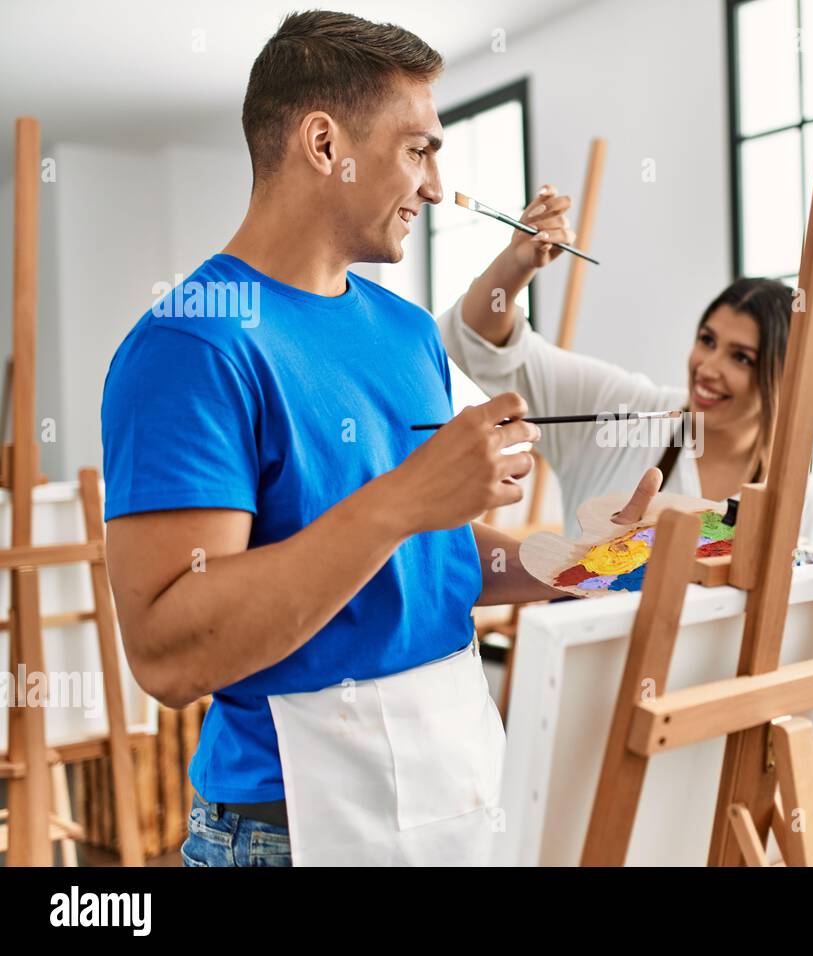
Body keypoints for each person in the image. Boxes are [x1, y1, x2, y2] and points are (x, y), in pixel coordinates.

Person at [100, 10, 656, 867]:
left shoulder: (405, 332)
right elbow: (167, 655)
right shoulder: (193, 343)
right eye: (418, 150)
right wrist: (401, 501)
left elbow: (433, 563)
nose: (434, 188)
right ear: (325, 145)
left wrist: (590, 561)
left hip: (456, 791)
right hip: (287, 827)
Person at [440, 197, 813, 547]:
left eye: (741, 358)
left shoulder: (802, 503)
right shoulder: (622, 412)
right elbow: (479, 343)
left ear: (785, 376)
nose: (708, 368)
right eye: (707, 340)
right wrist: (515, 264)